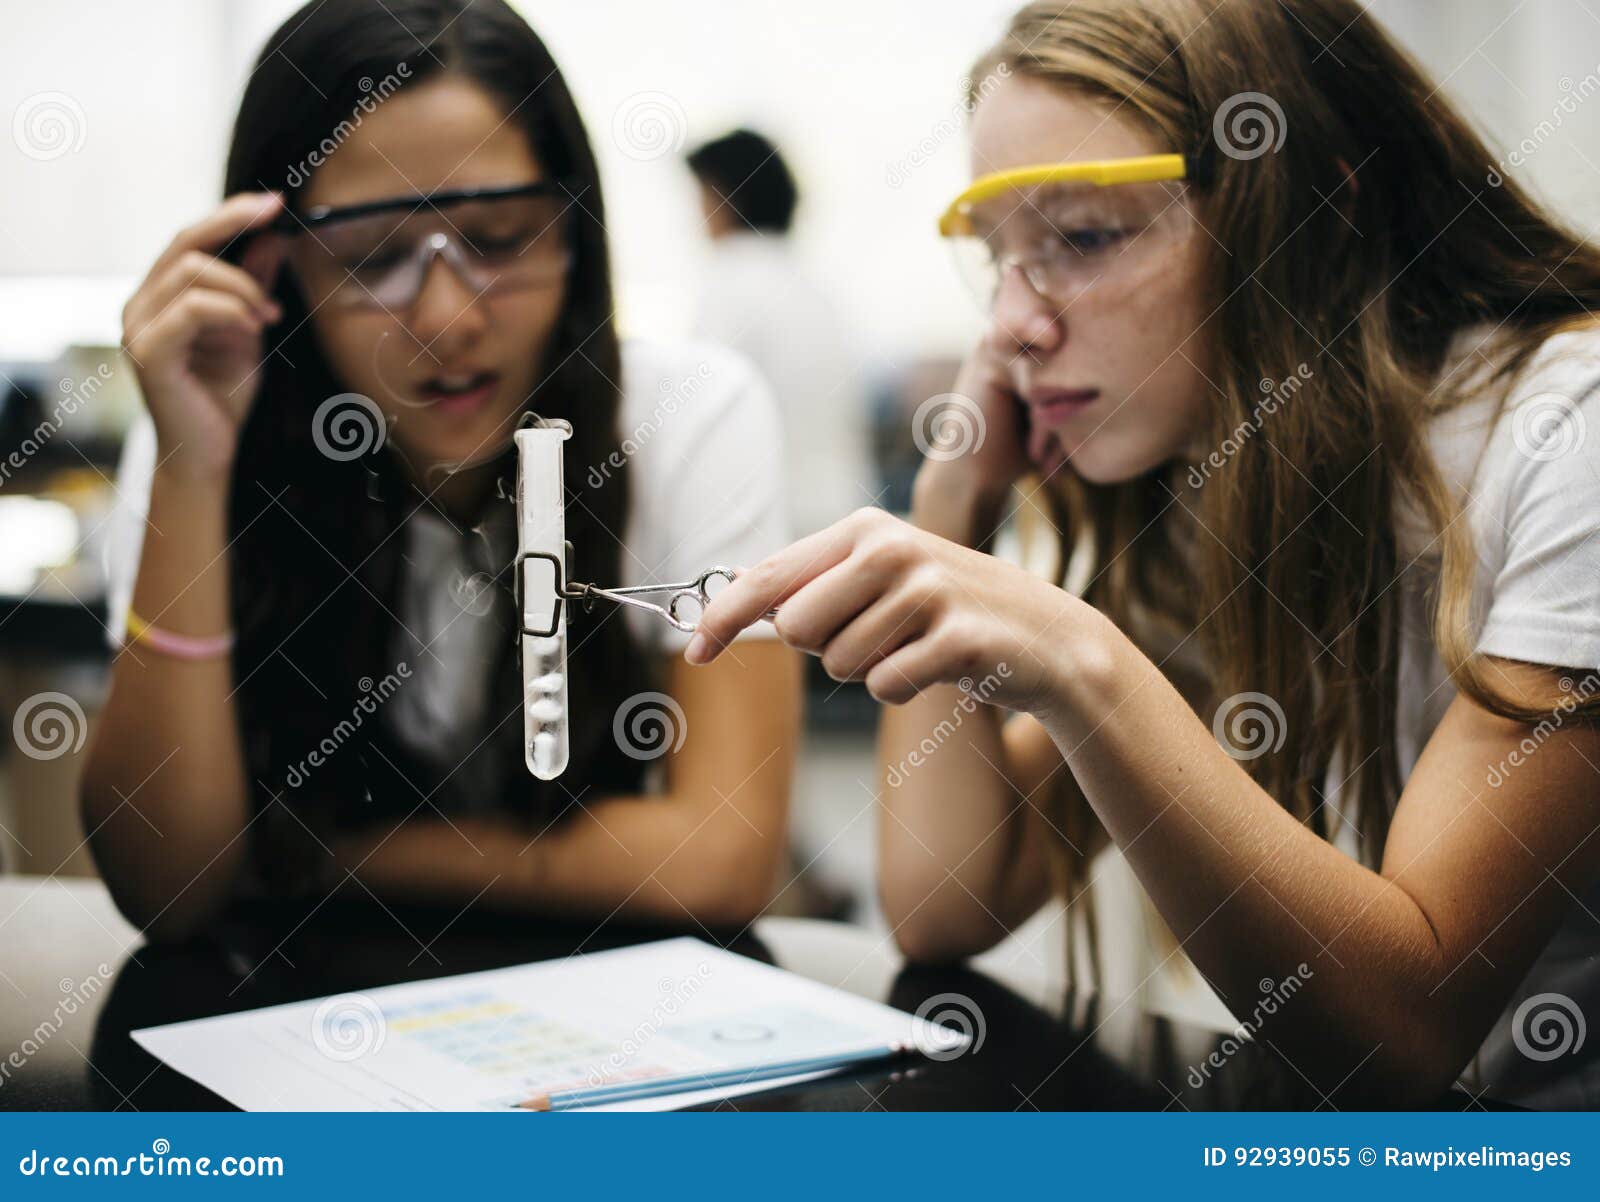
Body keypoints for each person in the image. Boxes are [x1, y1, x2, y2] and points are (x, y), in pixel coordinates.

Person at [688, 0, 1600, 1108]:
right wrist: (948, 517)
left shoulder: (1569, 428)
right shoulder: (1221, 475)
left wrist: (1080, 659)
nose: (1014, 324)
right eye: (998, 260)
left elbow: (1409, 1025)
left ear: (1312, 209)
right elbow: (943, 902)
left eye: (1080, 237)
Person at [83, 0, 799, 941]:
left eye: (499, 238)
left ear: (575, 231)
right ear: (274, 268)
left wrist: (308, 852)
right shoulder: (205, 431)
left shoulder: (685, 415)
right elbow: (168, 885)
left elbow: (722, 855)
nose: (448, 319)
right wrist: (189, 467)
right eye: (373, 257)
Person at [686, 129, 873, 537]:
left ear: (725, 197)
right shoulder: (815, 286)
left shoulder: (729, 278)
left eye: (701, 197)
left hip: (765, 529)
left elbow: (702, 415)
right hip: (840, 519)